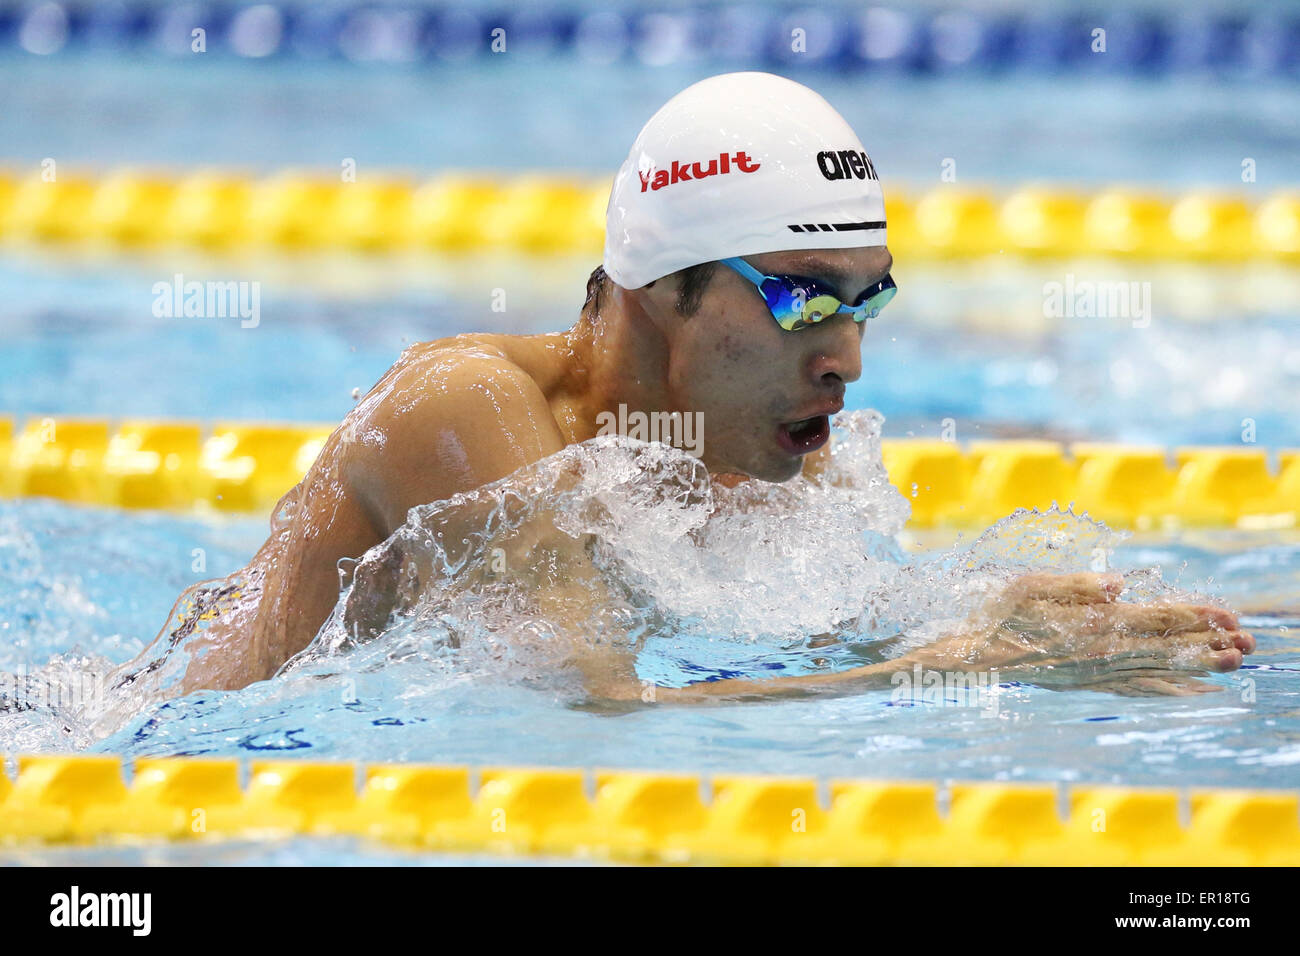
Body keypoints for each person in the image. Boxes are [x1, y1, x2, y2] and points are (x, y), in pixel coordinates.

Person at [117, 72, 1253, 703]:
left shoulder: (745, 450)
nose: (846, 359)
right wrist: (949, 668)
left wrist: (1045, 628)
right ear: (665, 288)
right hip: (151, 773)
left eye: (865, 302)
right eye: (802, 298)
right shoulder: (464, 412)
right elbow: (606, 716)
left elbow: (822, 640)